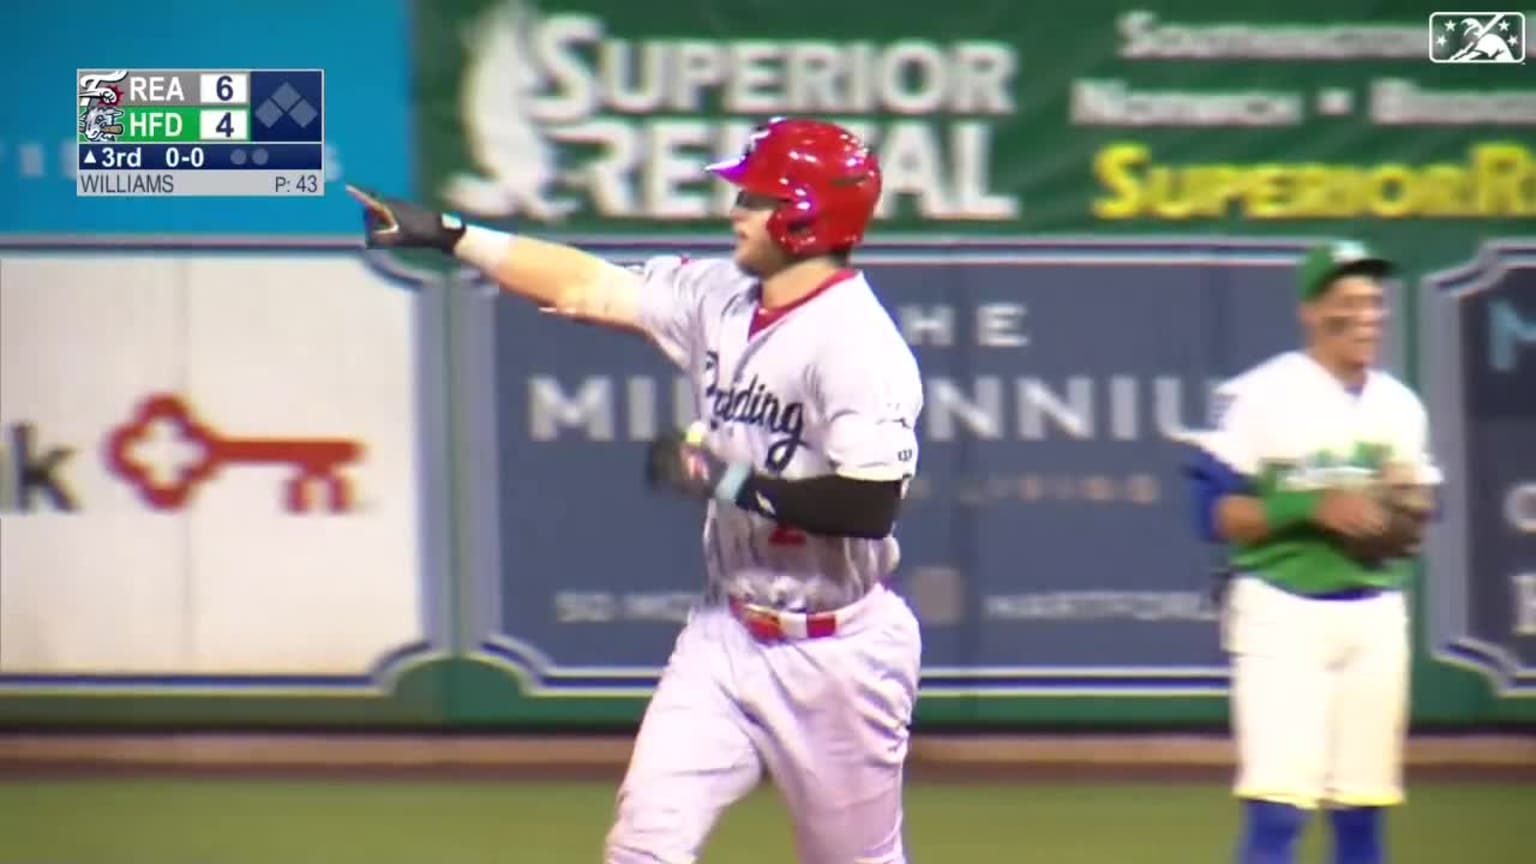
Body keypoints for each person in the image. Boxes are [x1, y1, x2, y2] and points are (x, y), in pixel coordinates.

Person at [348, 117, 925, 864]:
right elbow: (592, 285)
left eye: (753, 196)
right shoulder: (721, 296)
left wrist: (732, 480)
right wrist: (454, 234)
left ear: (802, 215)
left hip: (840, 651)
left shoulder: (858, 345)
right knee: (644, 846)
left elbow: (870, 505)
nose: (736, 211)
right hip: (726, 631)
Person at [1183, 240, 1442, 864]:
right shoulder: (1259, 396)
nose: (1367, 316)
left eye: (1375, 302)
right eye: (1348, 301)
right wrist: (1308, 507)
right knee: (1277, 809)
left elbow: (1421, 516)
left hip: (1375, 614)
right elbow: (1211, 514)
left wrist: (1406, 506)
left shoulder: (1399, 406)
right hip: (1283, 613)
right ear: (1313, 310)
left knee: (1362, 811)